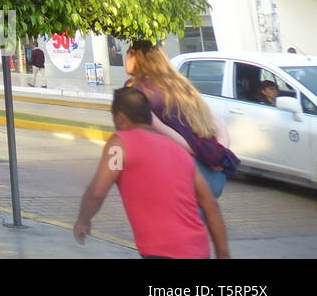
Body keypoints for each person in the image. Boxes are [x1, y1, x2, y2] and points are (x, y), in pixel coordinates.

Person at [74, 87, 229, 259]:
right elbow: (210, 205)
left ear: (120, 117)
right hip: (198, 251)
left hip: (163, 253)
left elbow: (97, 191)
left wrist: (83, 219)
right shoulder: (178, 151)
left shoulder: (119, 145)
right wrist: (223, 254)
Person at [124, 40, 236, 198]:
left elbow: (161, 129)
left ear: (136, 58)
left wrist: (196, 151)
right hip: (204, 175)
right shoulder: (182, 85)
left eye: (128, 55)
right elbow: (213, 121)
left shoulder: (134, 90)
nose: (125, 60)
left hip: (170, 170)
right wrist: (218, 151)